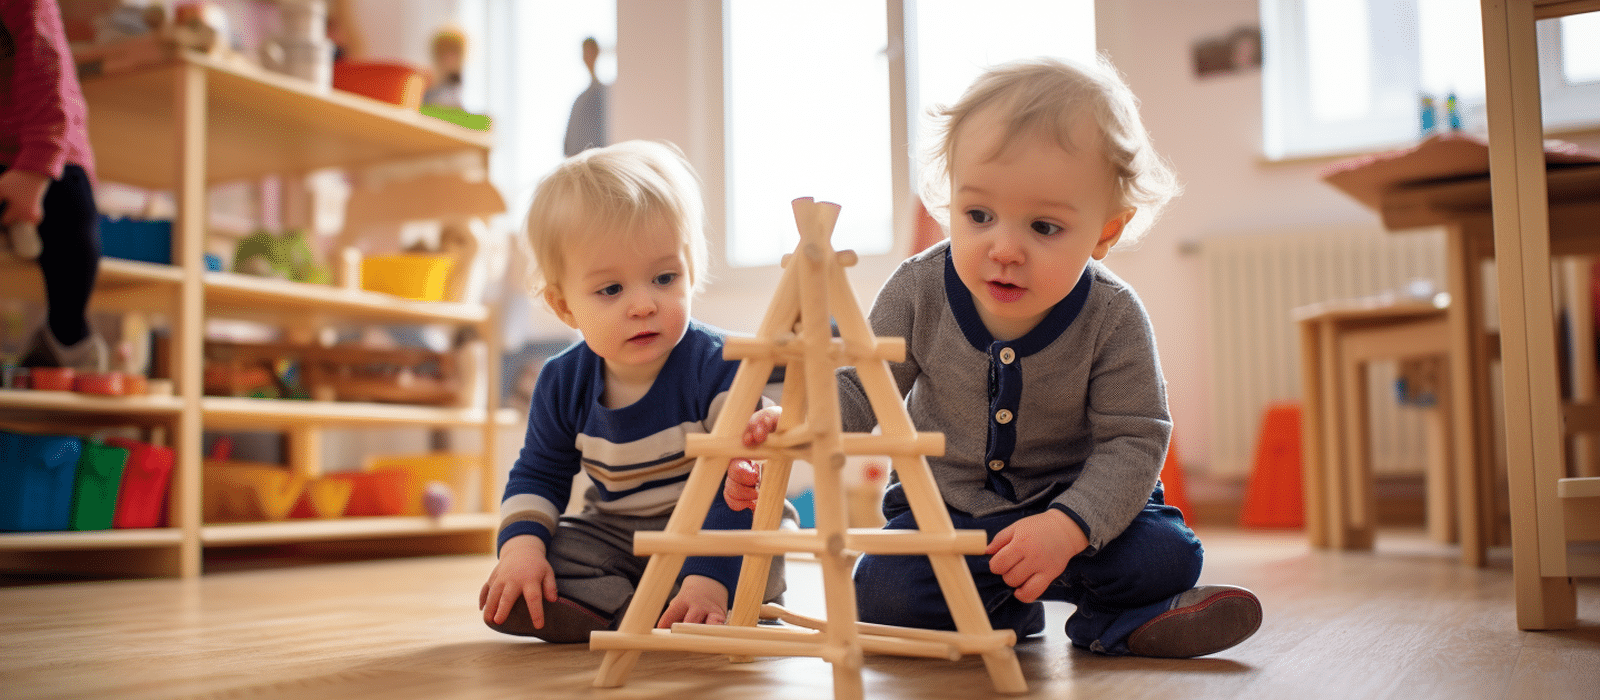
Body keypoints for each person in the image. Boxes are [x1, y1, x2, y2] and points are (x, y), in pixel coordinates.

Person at [726, 57, 1262, 658]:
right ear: (947, 200)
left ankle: (1108, 624)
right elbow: (857, 388)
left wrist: (1068, 526)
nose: (1003, 249)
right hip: (949, 516)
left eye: (1044, 227)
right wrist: (791, 433)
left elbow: (1135, 441)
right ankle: (1006, 607)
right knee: (883, 592)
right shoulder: (918, 289)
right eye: (978, 216)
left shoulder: (1113, 315)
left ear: (1106, 232)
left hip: (1083, 519)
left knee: (1166, 557)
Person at [480, 140, 791, 643]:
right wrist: (521, 552)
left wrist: (708, 577)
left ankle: (698, 600)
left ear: (690, 271)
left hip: (722, 521)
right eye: (611, 290)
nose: (644, 304)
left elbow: (743, 483)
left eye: (664, 278)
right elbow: (540, 472)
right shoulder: (562, 382)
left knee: (760, 550)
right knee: (544, 562)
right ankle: (644, 610)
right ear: (564, 308)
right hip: (621, 534)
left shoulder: (723, 366)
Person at [1, 0, 106, 372]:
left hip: (53, 155)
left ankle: (68, 337)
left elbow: (49, 82)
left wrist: (33, 175)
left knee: (74, 225)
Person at [562, 36, 608, 157]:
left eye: (590, 52)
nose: (587, 57)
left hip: (595, 159)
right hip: (577, 160)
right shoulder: (581, 98)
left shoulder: (604, 94)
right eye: (584, 52)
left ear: (597, 53)